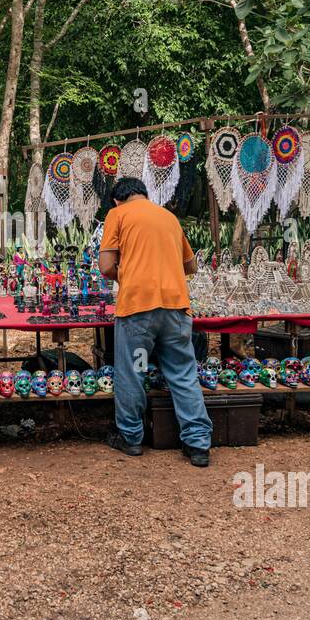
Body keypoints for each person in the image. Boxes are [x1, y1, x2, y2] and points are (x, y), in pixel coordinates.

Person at [98, 177, 212, 466]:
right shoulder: (169, 217)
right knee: (183, 372)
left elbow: (106, 265)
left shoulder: (118, 214)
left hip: (138, 310)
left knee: (134, 370)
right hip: (175, 308)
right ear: (145, 195)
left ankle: (131, 436)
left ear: (116, 199)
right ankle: (197, 444)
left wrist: (125, 275)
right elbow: (192, 266)